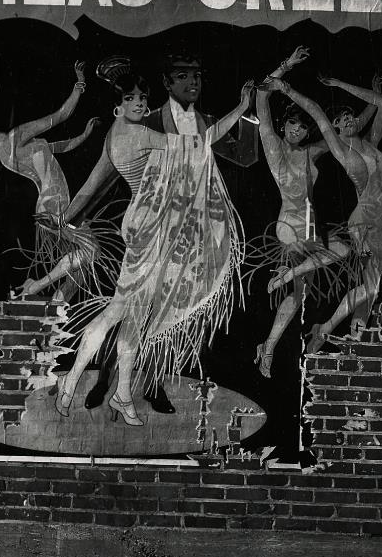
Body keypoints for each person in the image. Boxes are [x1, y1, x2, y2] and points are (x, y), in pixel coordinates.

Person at [52, 59, 254, 426]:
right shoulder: (142, 134)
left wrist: (66, 217)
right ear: (118, 106)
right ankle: (74, 382)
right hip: (150, 230)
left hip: (142, 223)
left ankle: (122, 393)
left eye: (143, 98)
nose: (142, 104)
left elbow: (97, 178)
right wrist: (241, 108)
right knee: (120, 311)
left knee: (131, 315)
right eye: (133, 99)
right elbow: (202, 142)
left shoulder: (113, 137)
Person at [265, 69, 382, 354]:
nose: (346, 120)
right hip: (362, 224)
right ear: (334, 130)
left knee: (370, 288)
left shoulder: (372, 142)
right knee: (371, 286)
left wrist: (342, 83)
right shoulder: (341, 150)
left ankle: (328, 332)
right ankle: (328, 328)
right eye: (339, 120)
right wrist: (286, 89)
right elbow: (315, 110)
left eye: (349, 116)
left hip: (379, 224)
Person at [0, 60, 110, 301]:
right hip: (55, 206)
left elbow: (57, 148)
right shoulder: (13, 138)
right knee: (92, 252)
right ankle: (36, 286)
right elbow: (60, 116)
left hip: (50, 206)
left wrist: (85, 134)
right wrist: (80, 83)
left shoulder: (8, 154)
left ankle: (57, 303)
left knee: (85, 260)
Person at [246, 47, 330, 377]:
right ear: (285, 125)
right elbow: (262, 98)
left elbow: (342, 136)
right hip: (290, 226)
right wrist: (285, 66)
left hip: (311, 227)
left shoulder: (312, 152)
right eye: (293, 125)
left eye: (302, 128)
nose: (296, 131)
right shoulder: (274, 145)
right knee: (298, 288)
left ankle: (267, 347)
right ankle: (267, 348)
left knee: (300, 295)